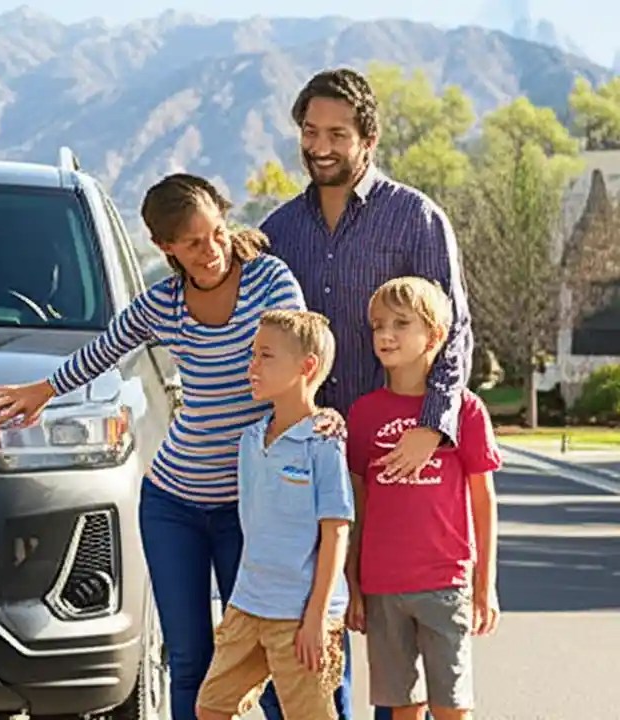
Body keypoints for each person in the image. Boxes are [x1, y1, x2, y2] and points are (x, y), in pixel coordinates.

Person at [0, 173, 325, 720]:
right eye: (191, 243)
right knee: (191, 659)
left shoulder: (269, 282)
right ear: (166, 247)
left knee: (270, 654)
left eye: (216, 232)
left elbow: (303, 356)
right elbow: (102, 351)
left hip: (250, 507)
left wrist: (314, 421)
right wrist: (40, 391)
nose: (210, 250)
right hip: (173, 504)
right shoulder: (163, 304)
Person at [260, 67, 474, 720]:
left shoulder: (414, 218)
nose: (320, 145)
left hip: (389, 455)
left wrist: (432, 425)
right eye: (309, 131)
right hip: (311, 456)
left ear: (368, 139)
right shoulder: (279, 230)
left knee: (391, 633)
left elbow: (454, 325)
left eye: (336, 133)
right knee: (313, 625)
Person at [345, 277, 501, 720]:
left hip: (445, 583)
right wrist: (354, 583)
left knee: (452, 707)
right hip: (382, 585)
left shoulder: (464, 412)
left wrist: (483, 586)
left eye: (400, 323)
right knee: (402, 708)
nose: (385, 335)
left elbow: (483, 501)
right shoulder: (364, 413)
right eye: (377, 325)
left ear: (434, 335)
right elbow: (358, 501)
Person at [194, 309, 354, 720]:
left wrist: (316, 616)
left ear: (307, 367)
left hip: (300, 614)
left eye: (265, 356)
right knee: (211, 707)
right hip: (247, 605)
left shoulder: (323, 443)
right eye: (252, 354)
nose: (252, 366)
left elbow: (336, 531)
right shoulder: (249, 440)